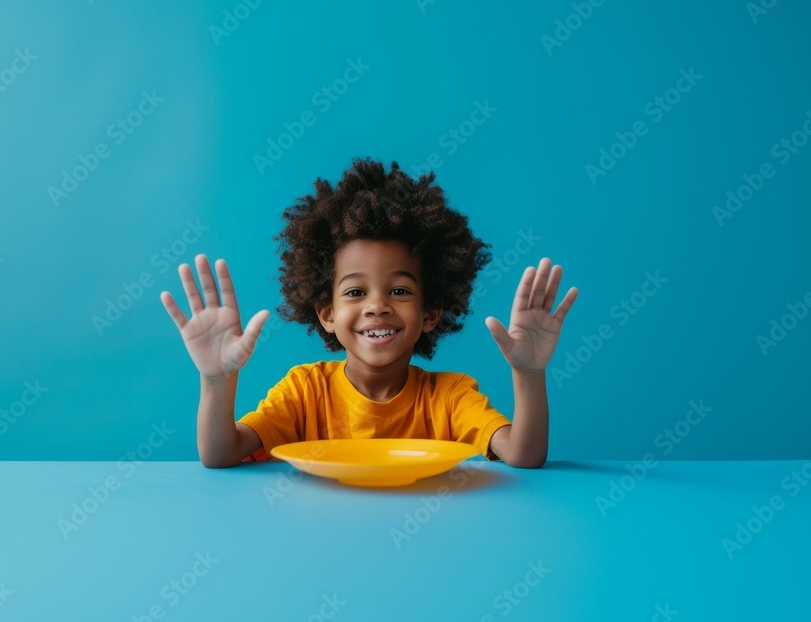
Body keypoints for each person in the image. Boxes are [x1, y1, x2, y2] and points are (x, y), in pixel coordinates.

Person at [159, 158, 577, 469]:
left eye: (399, 290)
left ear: (430, 313)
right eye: (356, 291)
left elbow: (524, 455)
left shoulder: (449, 397)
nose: (377, 306)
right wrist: (216, 379)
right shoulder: (304, 392)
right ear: (326, 314)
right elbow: (220, 454)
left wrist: (529, 373)